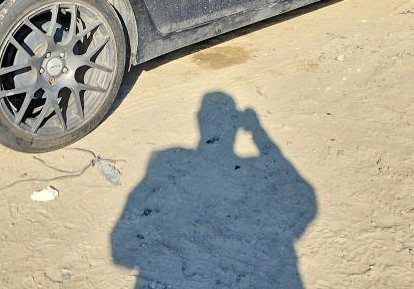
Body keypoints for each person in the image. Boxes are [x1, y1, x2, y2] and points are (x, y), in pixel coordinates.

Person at [111, 92, 317, 288]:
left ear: (198, 119)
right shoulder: (174, 160)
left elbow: (120, 252)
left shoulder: (168, 159)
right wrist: (257, 131)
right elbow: (304, 198)